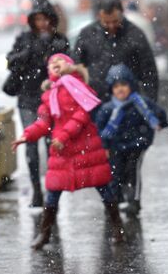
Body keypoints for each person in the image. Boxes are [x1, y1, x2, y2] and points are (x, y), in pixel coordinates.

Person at [11, 54, 123, 250]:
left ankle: (117, 227)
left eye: (60, 61)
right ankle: (44, 233)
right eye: (52, 63)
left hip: (86, 147)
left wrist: (64, 135)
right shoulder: (50, 94)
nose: (55, 64)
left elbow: (83, 114)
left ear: (70, 65)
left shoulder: (78, 85)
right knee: (53, 192)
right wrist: (27, 136)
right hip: (62, 151)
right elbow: (44, 122)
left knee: (103, 187)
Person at [6, 0, 69, 207]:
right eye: (37, 19)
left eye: (45, 19)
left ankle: (53, 190)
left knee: (53, 146)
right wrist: (27, 53)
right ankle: (36, 191)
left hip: (52, 102)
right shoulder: (24, 40)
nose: (41, 23)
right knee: (31, 148)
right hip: (27, 100)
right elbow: (10, 61)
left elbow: (68, 67)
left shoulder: (60, 41)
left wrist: (51, 54)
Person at [95, 64, 167, 216]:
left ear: (131, 85)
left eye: (123, 85)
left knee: (133, 172)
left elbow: (160, 114)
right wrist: (105, 146)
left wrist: (160, 123)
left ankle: (134, 201)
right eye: (115, 86)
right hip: (116, 147)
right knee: (115, 174)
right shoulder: (108, 108)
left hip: (137, 145)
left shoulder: (141, 103)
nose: (120, 89)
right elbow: (101, 129)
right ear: (111, 90)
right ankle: (114, 202)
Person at [70, 0, 159, 103]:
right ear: (99, 16)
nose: (111, 26)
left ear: (122, 14)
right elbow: (76, 64)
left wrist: (150, 101)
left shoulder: (135, 34)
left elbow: (149, 71)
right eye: (106, 23)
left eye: (115, 21)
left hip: (129, 102)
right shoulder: (87, 34)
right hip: (96, 100)